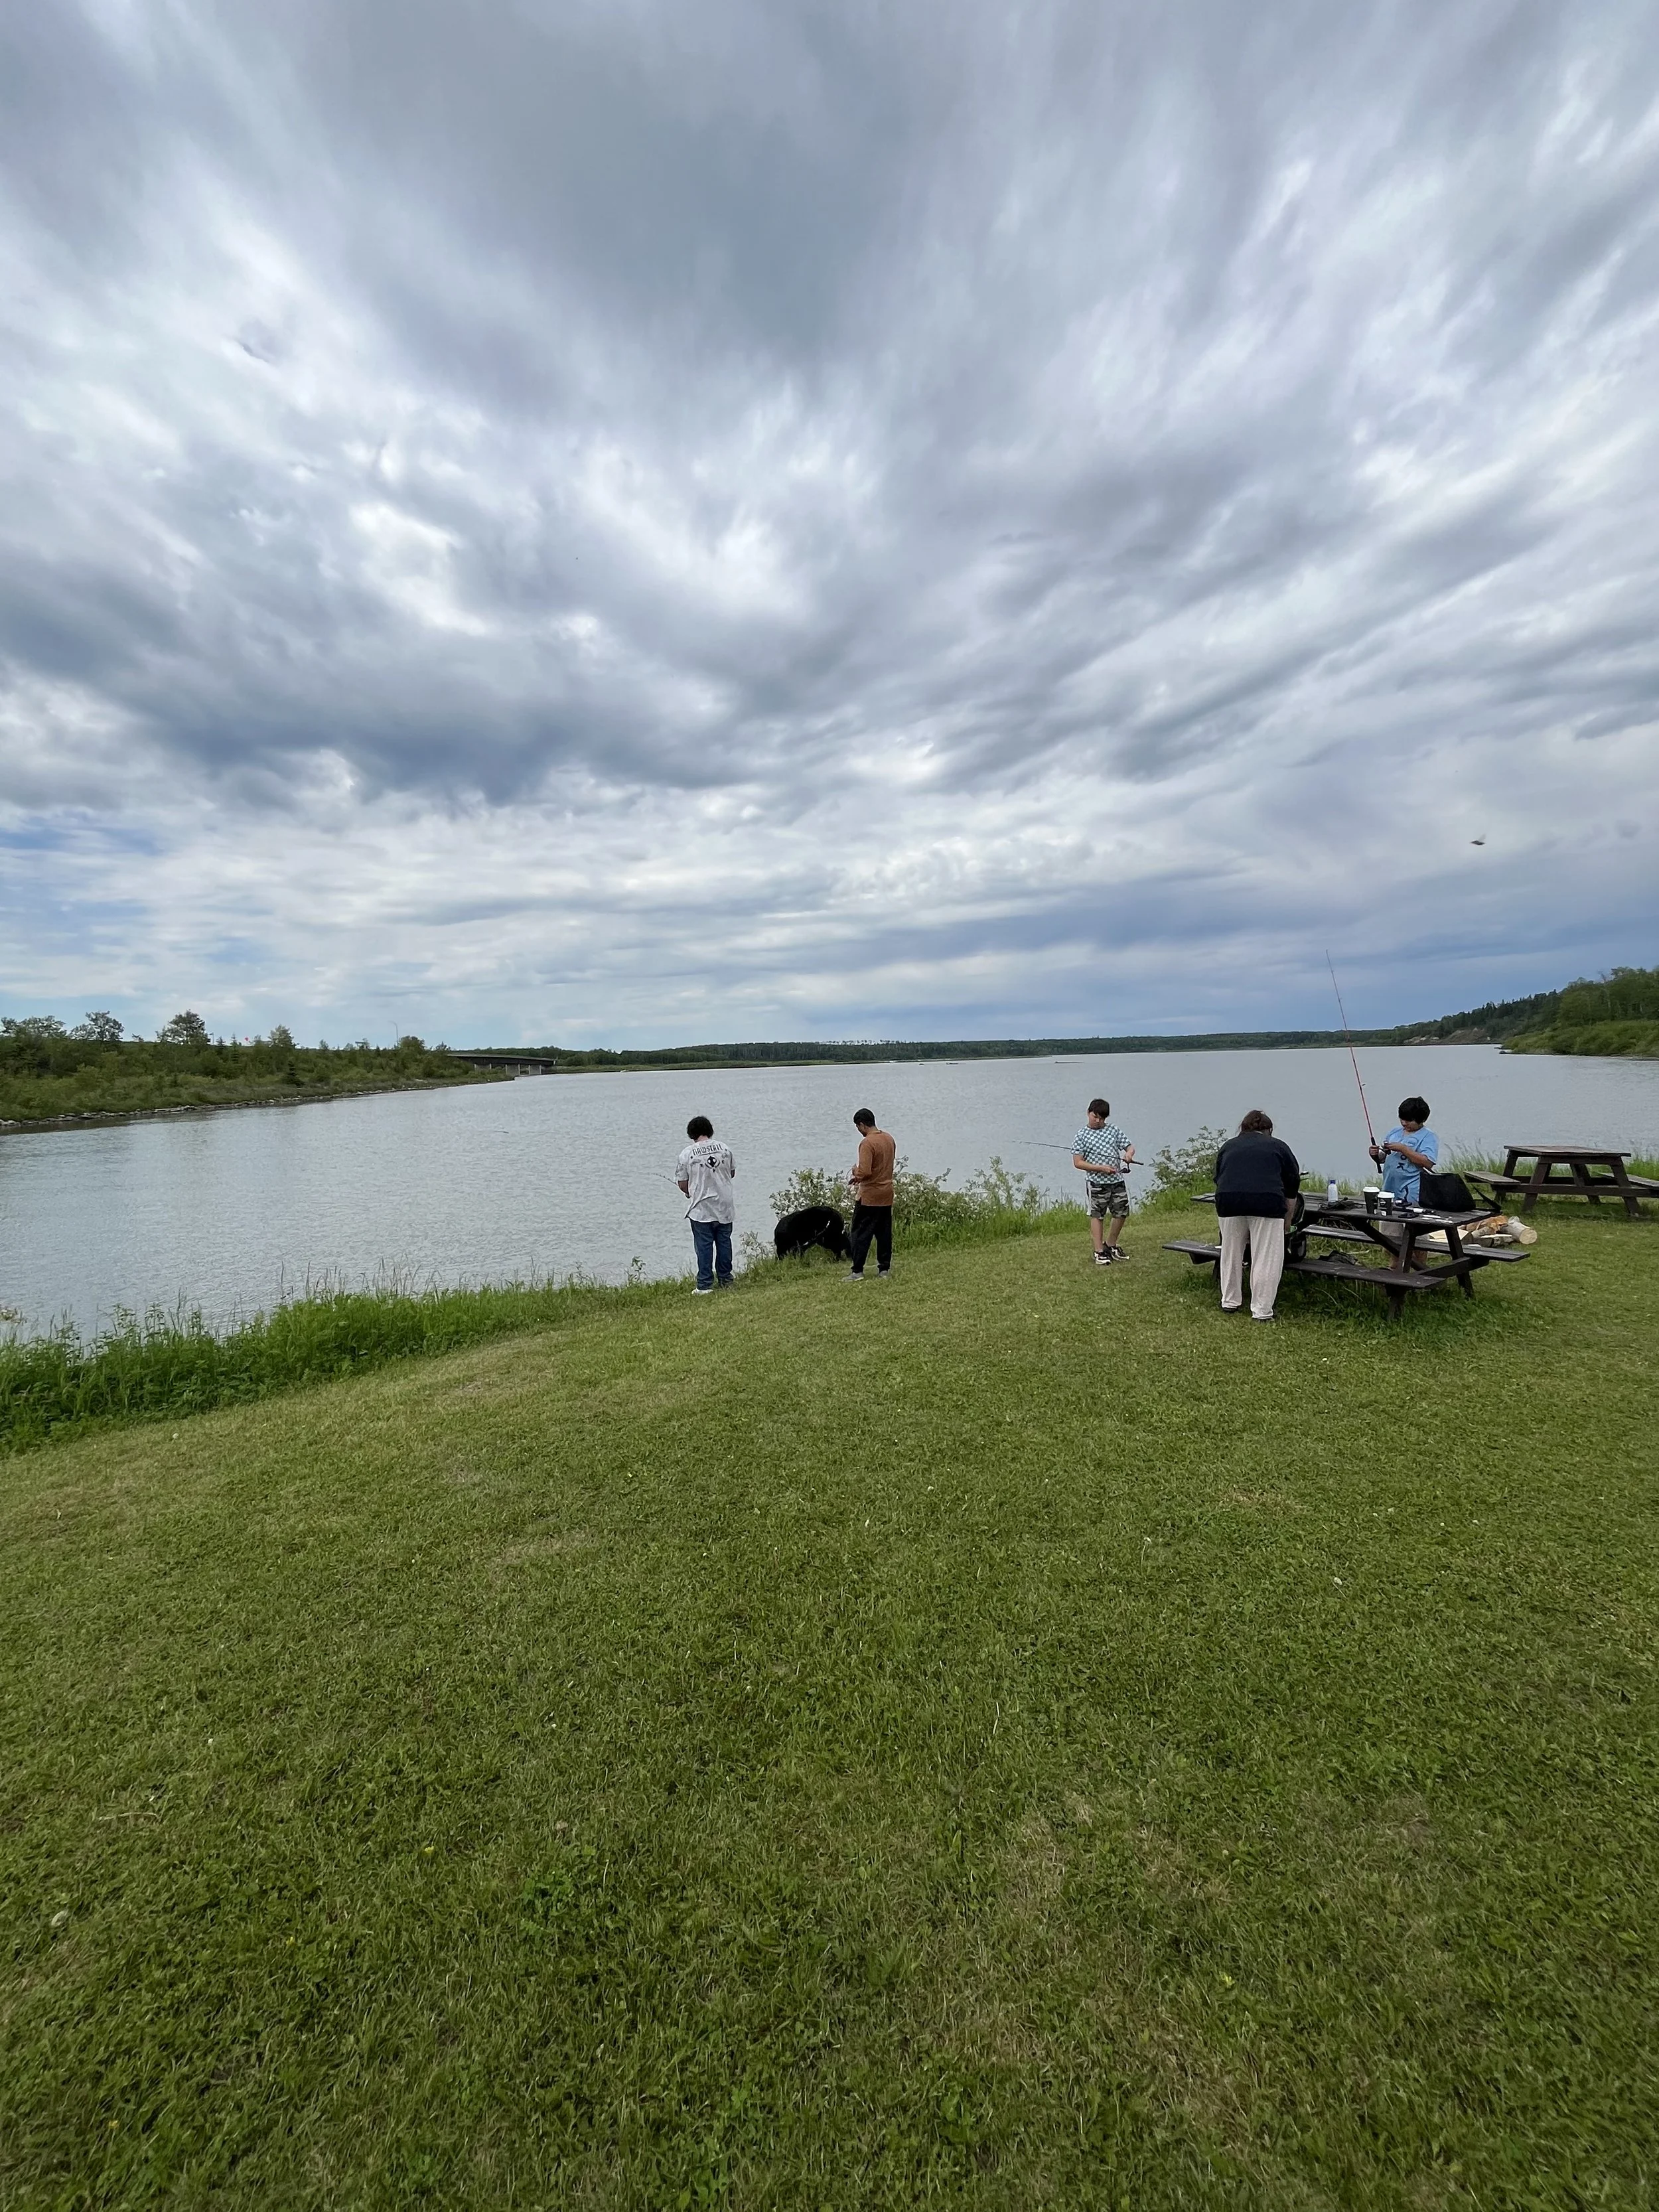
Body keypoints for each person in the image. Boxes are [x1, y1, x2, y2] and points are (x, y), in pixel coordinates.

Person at [1214, 1110, 1301, 1323]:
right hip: (1267, 1203)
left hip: (1228, 1202)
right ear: (1269, 1130)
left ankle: (1230, 1301)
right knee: (1266, 1257)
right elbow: (1292, 1188)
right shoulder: (1279, 1147)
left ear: (1243, 1128)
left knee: (1231, 1252)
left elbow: (1219, 1177)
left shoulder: (1228, 1146)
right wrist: (1287, 1221)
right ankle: (1262, 1311)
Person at [676, 1115, 735, 1294]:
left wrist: (689, 1192)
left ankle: (705, 1285)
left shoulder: (687, 1154)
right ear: (710, 1131)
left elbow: (682, 1183)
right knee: (724, 1243)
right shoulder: (725, 1149)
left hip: (701, 1209)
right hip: (725, 1205)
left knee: (704, 1246)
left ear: (691, 1134)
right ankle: (726, 1280)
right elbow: (731, 1173)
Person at [1071, 1098, 1135, 1264]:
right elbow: (1078, 1162)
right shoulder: (1081, 1135)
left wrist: (1128, 1155)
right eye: (1095, 1117)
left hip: (1117, 1180)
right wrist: (1100, 1168)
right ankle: (1099, 1251)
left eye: (1102, 1118)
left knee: (1121, 1213)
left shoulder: (1113, 1130)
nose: (1098, 1121)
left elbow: (1129, 1147)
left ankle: (1111, 1245)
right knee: (1097, 1215)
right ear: (1088, 1113)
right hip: (1096, 1182)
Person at [845, 1108, 896, 1282]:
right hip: (886, 1193)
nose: (859, 1131)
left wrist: (855, 1172)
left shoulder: (867, 1143)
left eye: (858, 1127)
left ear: (862, 1125)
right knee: (884, 1233)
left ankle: (857, 1271)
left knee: (860, 1233)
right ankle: (884, 1269)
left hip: (869, 1197)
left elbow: (865, 1171)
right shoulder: (889, 1139)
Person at [1371, 1096, 1439, 1205]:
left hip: (1411, 1189)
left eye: (1408, 1120)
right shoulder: (1395, 1132)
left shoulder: (1428, 1136)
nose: (1404, 1123)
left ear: (1421, 1120)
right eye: (1402, 1119)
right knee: (1387, 1214)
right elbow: (1382, 1158)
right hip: (1389, 1188)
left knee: (1409, 1215)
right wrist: (1375, 1154)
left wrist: (1403, 1149)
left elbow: (1428, 1163)